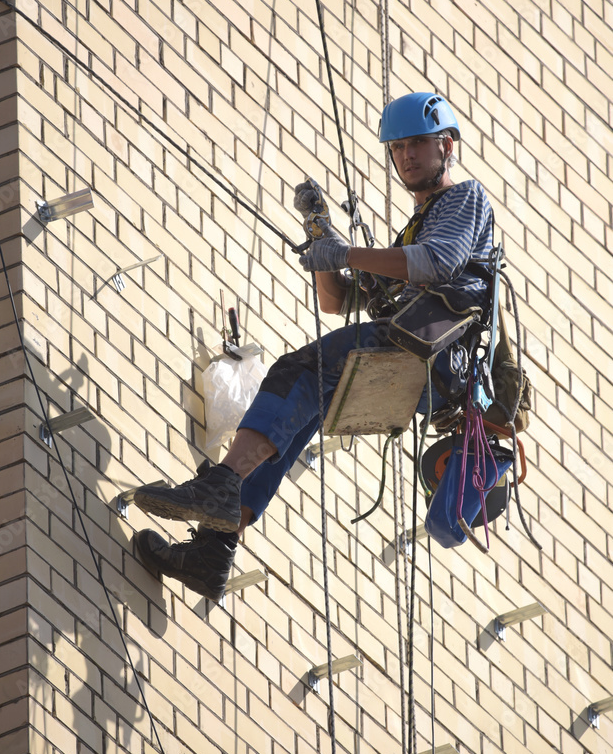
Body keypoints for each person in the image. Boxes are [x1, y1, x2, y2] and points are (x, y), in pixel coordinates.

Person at [133, 92, 494, 599]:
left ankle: (221, 482)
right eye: (398, 148)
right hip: (419, 362)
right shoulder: (413, 230)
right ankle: (213, 550)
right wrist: (321, 238)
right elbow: (338, 301)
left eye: (419, 143)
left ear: (447, 146)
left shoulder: (464, 199)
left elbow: (437, 262)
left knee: (299, 370)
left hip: (430, 353)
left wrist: (348, 249)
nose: (407, 155)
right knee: (298, 419)